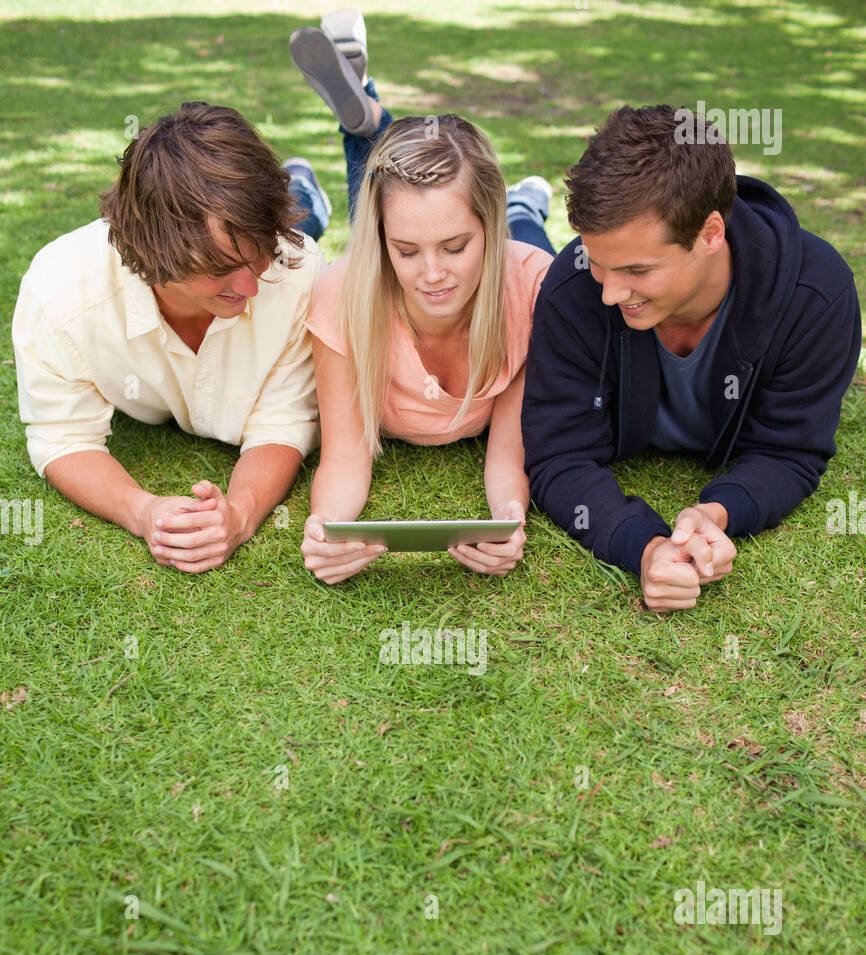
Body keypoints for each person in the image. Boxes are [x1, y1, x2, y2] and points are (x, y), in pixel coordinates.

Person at [521, 104, 862, 611]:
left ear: (709, 234)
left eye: (637, 269)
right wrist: (645, 546)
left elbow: (790, 452)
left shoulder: (817, 295)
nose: (611, 293)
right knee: (528, 257)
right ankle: (522, 213)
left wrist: (720, 511)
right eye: (600, 264)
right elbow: (558, 454)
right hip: (542, 272)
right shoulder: (574, 287)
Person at [286, 8, 556, 584]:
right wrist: (326, 528)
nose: (431, 274)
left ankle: (524, 211)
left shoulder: (531, 290)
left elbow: (507, 452)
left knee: (531, 244)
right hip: (414, 246)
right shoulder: (344, 291)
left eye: (455, 245)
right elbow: (344, 453)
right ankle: (320, 172)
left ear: (485, 228)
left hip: (516, 253)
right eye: (405, 251)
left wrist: (509, 521)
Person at [12, 102, 323, 574]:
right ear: (155, 259)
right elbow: (62, 437)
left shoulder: (296, 271)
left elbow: (284, 422)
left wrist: (239, 514)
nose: (250, 287)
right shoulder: (59, 293)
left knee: (301, 235)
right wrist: (143, 511)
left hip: (297, 243)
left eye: (257, 255)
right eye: (218, 272)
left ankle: (306, 199)